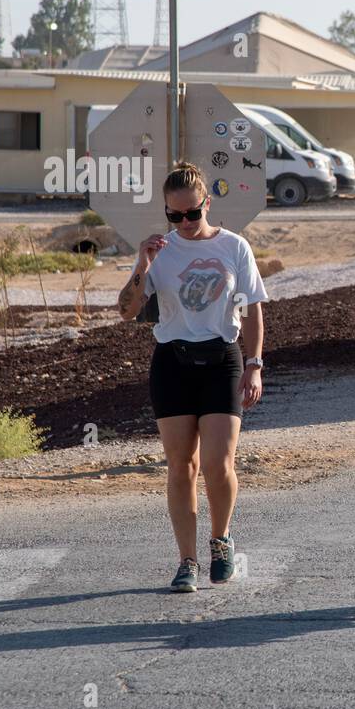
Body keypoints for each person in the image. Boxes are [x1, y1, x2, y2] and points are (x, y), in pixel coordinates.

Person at [117, 161, 268, 592]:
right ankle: (188, 560)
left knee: (218, 466)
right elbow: (126, 311)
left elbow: (253, 307)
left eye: (191, 213)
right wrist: (143, 265)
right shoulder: (158, 251)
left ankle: (221, 540)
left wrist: (255, 364)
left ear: (207, 203)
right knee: (181, 466)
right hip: (172, 363)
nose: (183, 222)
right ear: (166, 211)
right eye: (174, 215)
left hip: (222, 360)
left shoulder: (235, 247)